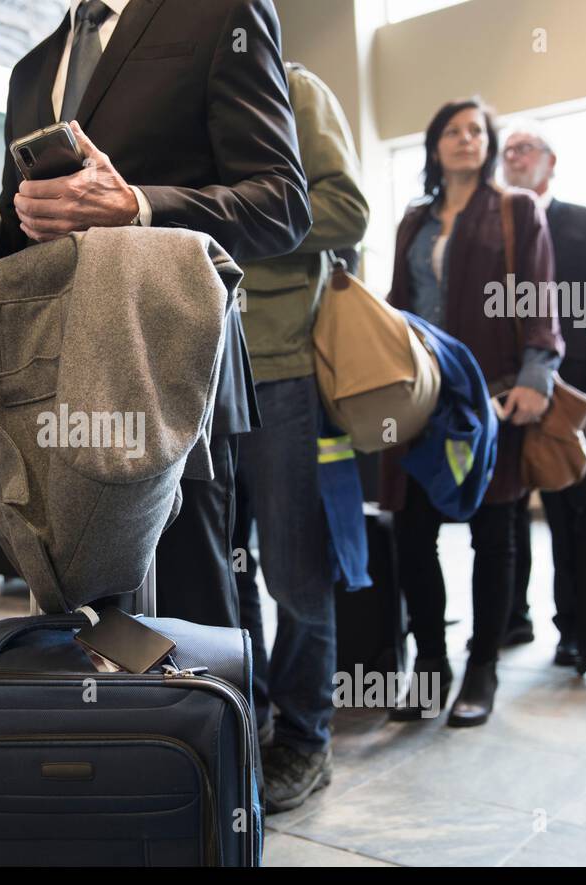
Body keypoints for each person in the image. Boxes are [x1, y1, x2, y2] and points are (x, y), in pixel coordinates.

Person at [0, 0, 311, 630]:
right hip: (54, 393)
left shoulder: (220, 14)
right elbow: (39, 253)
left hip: (173, 377)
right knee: (85, 635)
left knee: (189, 634)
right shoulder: (32, 70)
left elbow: (282, 203)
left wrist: (138, 205)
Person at [384, 98, 563, 727]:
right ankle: (429, 667)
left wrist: (538, 377)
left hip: (490, 396)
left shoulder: (516, 209)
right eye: (452, 132)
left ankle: (481, 667)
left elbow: (540, 297)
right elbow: (396, 307)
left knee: (493, 533)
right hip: (417, 400)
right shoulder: (414, 221)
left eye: (476, 131)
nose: (466, 140)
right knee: (413, 535)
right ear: (435, 146)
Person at [231, 65, 368, 812]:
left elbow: (347, 209)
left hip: (283, 366)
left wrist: (230, 214)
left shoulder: (292, 86)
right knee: (227, 572)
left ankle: (307, 739)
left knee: (294, 572)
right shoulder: (181, 97)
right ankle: (247, 722)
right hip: (198, 369)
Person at [499, 122, 586, 667]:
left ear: (551, 162)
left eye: (525, 148)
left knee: (566, 509)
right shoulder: (492, 224)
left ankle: (573, 626)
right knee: (504, 510)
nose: (514, 157)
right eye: (507, 152)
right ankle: (510, 619)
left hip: (568, 387)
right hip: (503, 389)